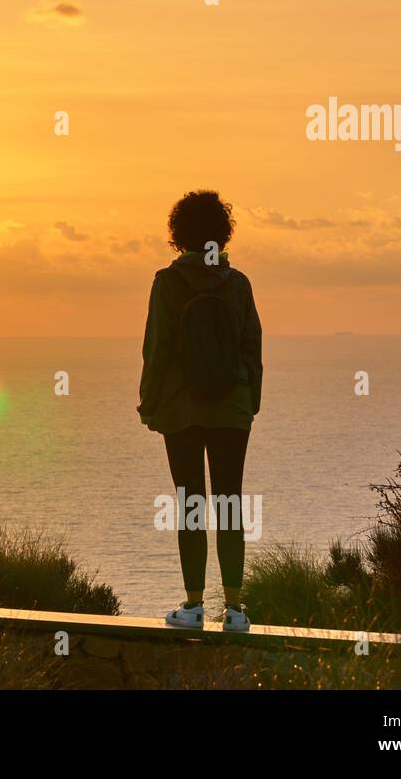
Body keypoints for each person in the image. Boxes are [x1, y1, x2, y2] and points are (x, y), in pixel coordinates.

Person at [137, 190, 262, 632]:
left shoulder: (167, 283)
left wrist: (149, 403)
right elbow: (252, 349)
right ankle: (234, 610)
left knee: (191, 502)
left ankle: (191, 607)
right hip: (233, 409)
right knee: (230, 502)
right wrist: (250, 404)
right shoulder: (239, 284)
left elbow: (157, 350)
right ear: (222, 235)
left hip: (180, 409)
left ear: (179, 236)